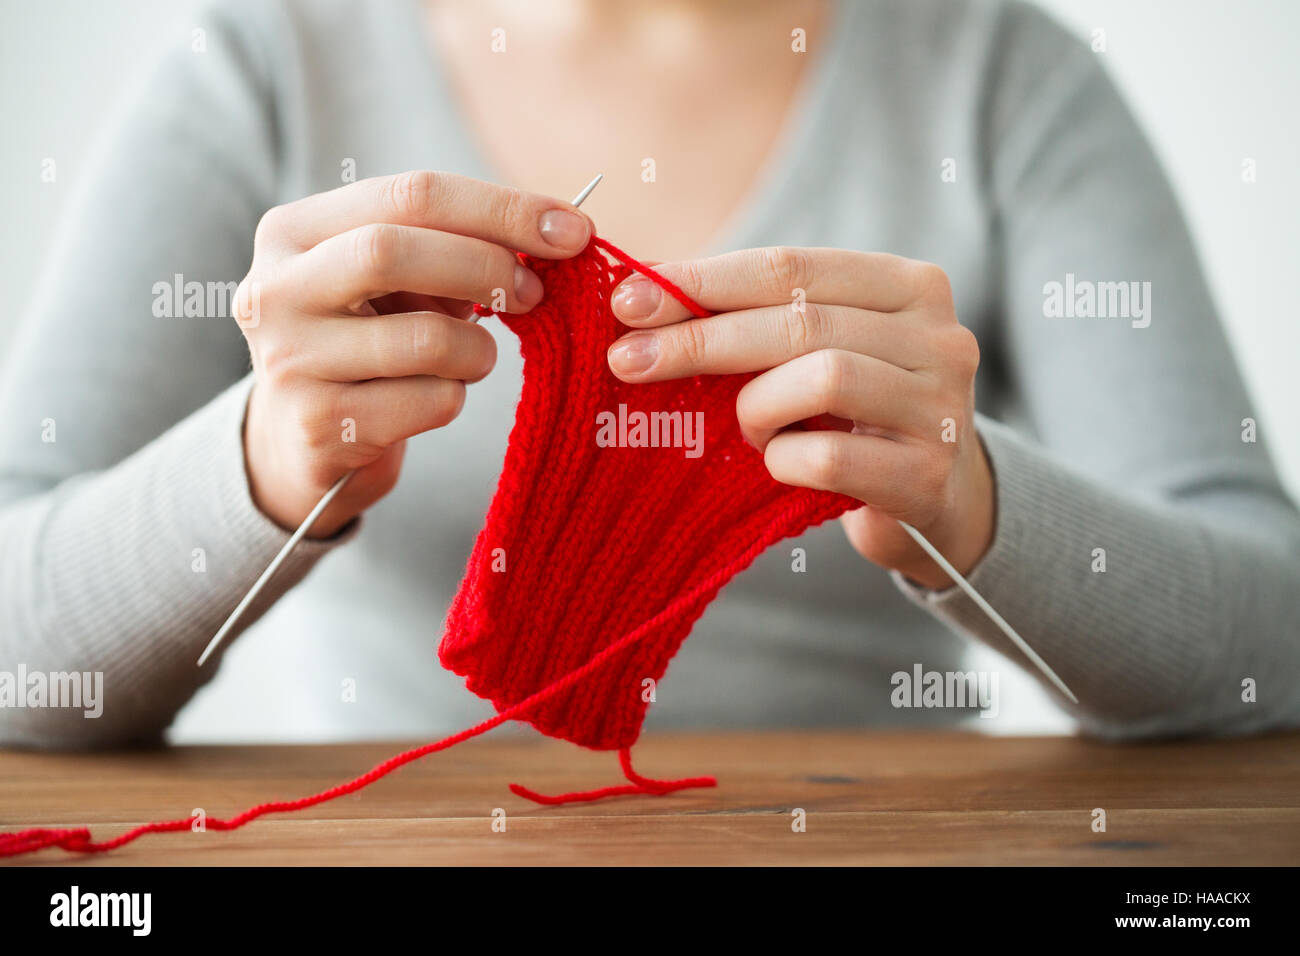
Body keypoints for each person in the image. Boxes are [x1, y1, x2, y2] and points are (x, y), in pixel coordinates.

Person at [2, 0, 1297, 748]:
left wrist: (977, 508)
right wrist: (261, 475)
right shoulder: (270, 62)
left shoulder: (998, 76)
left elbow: (1275, 647)